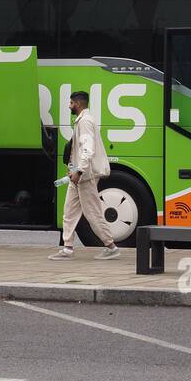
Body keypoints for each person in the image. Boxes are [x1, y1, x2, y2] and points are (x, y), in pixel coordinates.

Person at [50, 90, 121, 260]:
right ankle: (67, 248)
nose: (69, 106)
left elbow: (87, 149)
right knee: (69, 211)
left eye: (71, 103)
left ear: (78, 104)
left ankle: (111, 246)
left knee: (92, 212)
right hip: (78, 175)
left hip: (85, 177)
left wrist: (79, 171)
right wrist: (74, 169)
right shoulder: (82, 120)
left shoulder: (85, 122)